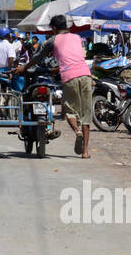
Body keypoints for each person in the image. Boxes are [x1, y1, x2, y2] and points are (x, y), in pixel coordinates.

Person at [33, 14, 93, 158]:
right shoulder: (77, 38)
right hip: (85, 74)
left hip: (69, 76)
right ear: (66, 26)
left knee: (68, 109)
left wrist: (24, 67)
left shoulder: (52, 40)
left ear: (53, 28)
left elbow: (38, 57)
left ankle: (77, 132)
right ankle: (85, 152)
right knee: (86, 113)